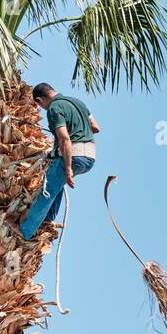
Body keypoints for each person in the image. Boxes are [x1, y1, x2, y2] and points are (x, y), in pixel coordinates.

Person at [18, 83, 100, 240]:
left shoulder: (55, 108)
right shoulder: (77, 102)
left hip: (73, 156)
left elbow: (64, 139)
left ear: (39, 100)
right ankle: (47, 219)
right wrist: (78, 127)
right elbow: (95, 127)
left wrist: (68, 167)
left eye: (39, 105)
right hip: (89, 158)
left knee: (46, 192)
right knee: (57, 182)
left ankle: (24, 232)